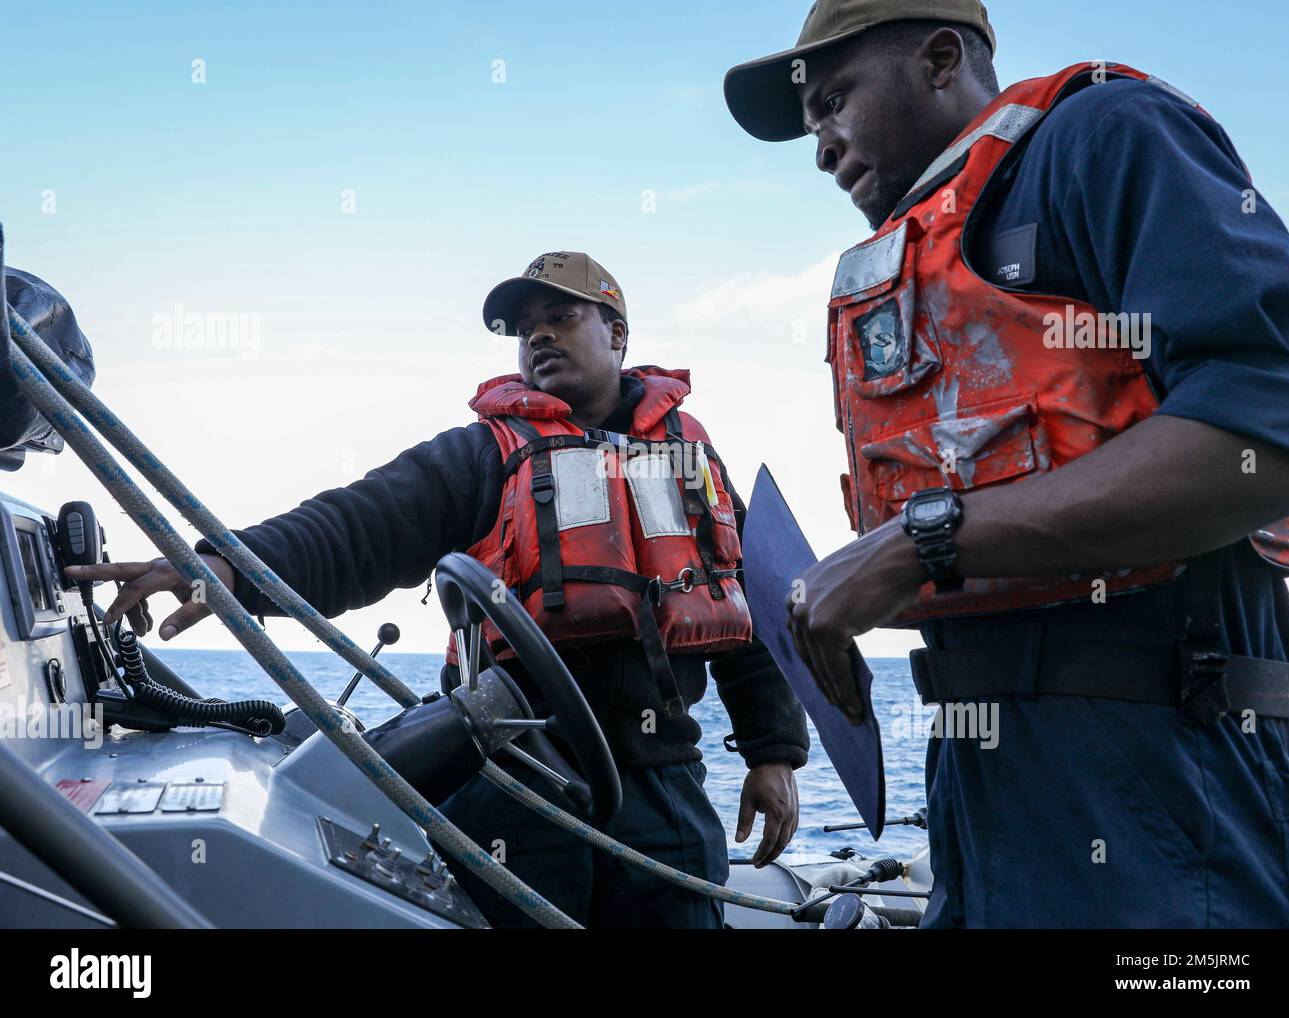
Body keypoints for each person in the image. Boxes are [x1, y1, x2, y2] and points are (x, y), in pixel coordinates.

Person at [724, 0, 1289, 927]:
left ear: (942, 58)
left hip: (1170, 778)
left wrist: (919, 545)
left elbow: (1270, 437)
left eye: (833, 102)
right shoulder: (907, 263)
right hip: (980, 788)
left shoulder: (1107, 135)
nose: (821, 145)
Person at [66, 251, 808, 929]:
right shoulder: (483, 454)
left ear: (615, 333)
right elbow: (359, 525)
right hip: (512, 784)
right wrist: (229, 565)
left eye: (561, 317)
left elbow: (744, 615)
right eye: (525, 329)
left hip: (662, 784)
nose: (539, 337)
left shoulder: (690, 461)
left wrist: (773, 754)